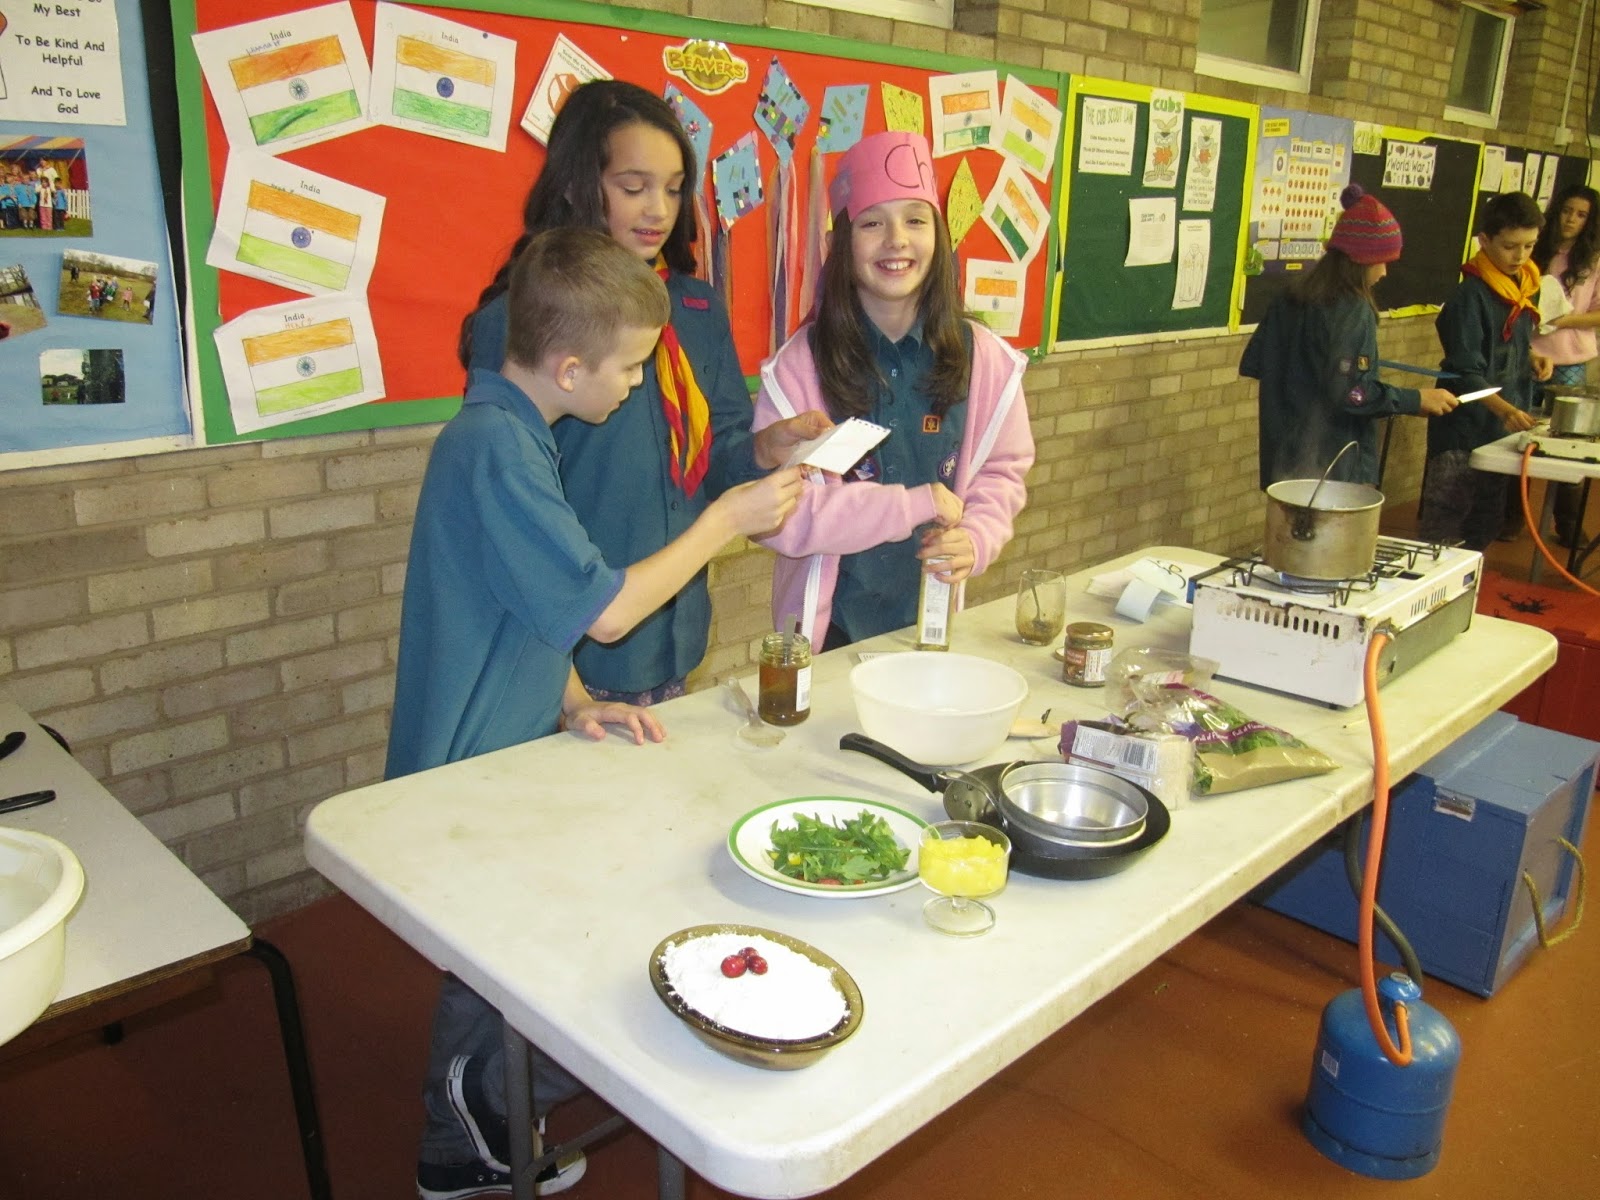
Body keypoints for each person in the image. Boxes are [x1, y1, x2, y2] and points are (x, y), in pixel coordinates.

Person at [392, 226, 802, 1199]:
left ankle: (501, 1107)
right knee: (484, 962)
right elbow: (607, 609)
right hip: (465, 769)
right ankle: (460, 1145)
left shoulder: (516, 432)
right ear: (570, 368)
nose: (635, 384)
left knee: (518, 940)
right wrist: (722, 521)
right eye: (627, 367)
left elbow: (526, 601)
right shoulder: (494, 447)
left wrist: (573, 699)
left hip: (508, 747)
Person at [458, 79, 828, 706]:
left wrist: (765, 448)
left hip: (674, 634)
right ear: (578, 186)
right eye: (633, 188)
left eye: (674, 188)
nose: (658, 209)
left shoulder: (695, 308)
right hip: (567, 653)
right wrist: (570, 694)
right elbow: (511, 516)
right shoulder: (522, 318)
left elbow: (715, 456)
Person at [751, 130, 1035, 649]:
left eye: (916, 220)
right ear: (843, 242)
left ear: (939, 236)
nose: (897, 240)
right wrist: (911, 505)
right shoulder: (799, 369)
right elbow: (782, 517)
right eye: (872, 223)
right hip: (828, 635)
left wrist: (977, 537)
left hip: (931, 624)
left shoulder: (985, 360)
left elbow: (1002, 470)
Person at [1241, 185, 1459, 489]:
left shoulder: (1288, 296)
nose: (1384, 272)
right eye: (1381, 261)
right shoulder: (1353, 309)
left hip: (1284, 463)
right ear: (1361, 260)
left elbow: (1256, 363)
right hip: (1332, 467)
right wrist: (1416, 399)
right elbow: (1352, 394)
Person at [1424, 191, 1550, 550]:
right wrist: (1506, 410)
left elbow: (1508, 342)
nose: (1520, 256)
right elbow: (1466, 371)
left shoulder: (1523, 286)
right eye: (1510, 246)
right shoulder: (1470, 296)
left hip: (1498, 430)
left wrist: (1531, 356)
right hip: (1465, 429)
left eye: (1529, 246)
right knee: (1447, 525)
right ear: (1485, 240)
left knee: (1487, 520)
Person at [1531, 183, 1600, 546]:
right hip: (1528, 354)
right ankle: (1513, 516)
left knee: (1569, 442)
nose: (1571, 219)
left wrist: (1562, 321)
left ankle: (1569, 522)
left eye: (1581, 214)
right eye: (1567, 210)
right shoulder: (1535, 248)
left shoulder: (1594, 259)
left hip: (1570, 359)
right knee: (1518, 435)